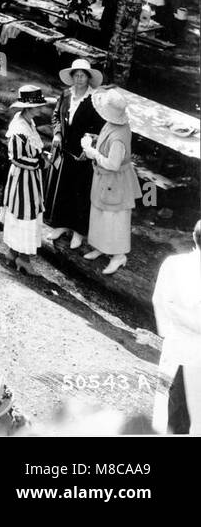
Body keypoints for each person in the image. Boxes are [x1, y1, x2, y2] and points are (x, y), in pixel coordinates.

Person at [81, 87, 140, 275]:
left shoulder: (119, 138)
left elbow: (113, 164)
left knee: (115, 219)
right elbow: (107, 141)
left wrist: (92, 153)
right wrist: (97, 139)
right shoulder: (112, 124)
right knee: (100, 215)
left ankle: (119, 256)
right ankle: (101, 246)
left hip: (116, 182)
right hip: (104, 180)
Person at [44, 58, 103, 249]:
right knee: (62, 189)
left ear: (88, 78)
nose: (79, 79)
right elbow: (56, 116)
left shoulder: (94, 100)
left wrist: (90, 146)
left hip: (83, 155)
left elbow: (100, 128)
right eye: (76, 75)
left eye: (82, 76)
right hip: (64, 151)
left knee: (80, 193)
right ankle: (60, 225)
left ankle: (77, 232)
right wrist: (58, 133)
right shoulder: (65, 95)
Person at [152, 220, 201, 434]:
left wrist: (168, 333)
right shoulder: (175, 264)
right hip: (190, 345)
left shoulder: (173, 263)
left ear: (193, 237)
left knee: (170, 404)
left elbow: (159, 300)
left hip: (176, 341)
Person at [3, 85, 53, 274]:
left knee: (24, 214)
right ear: (28, 107)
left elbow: (30, 149)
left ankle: (14, 254)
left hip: (30, 178)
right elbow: (16, 157)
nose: (41, 108)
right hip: (23, 178)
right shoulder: (19, 128)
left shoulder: (29, 123)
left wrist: (41, 154)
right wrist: (40, 163)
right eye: (38, 106)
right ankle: (23, 259)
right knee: (25, 215)